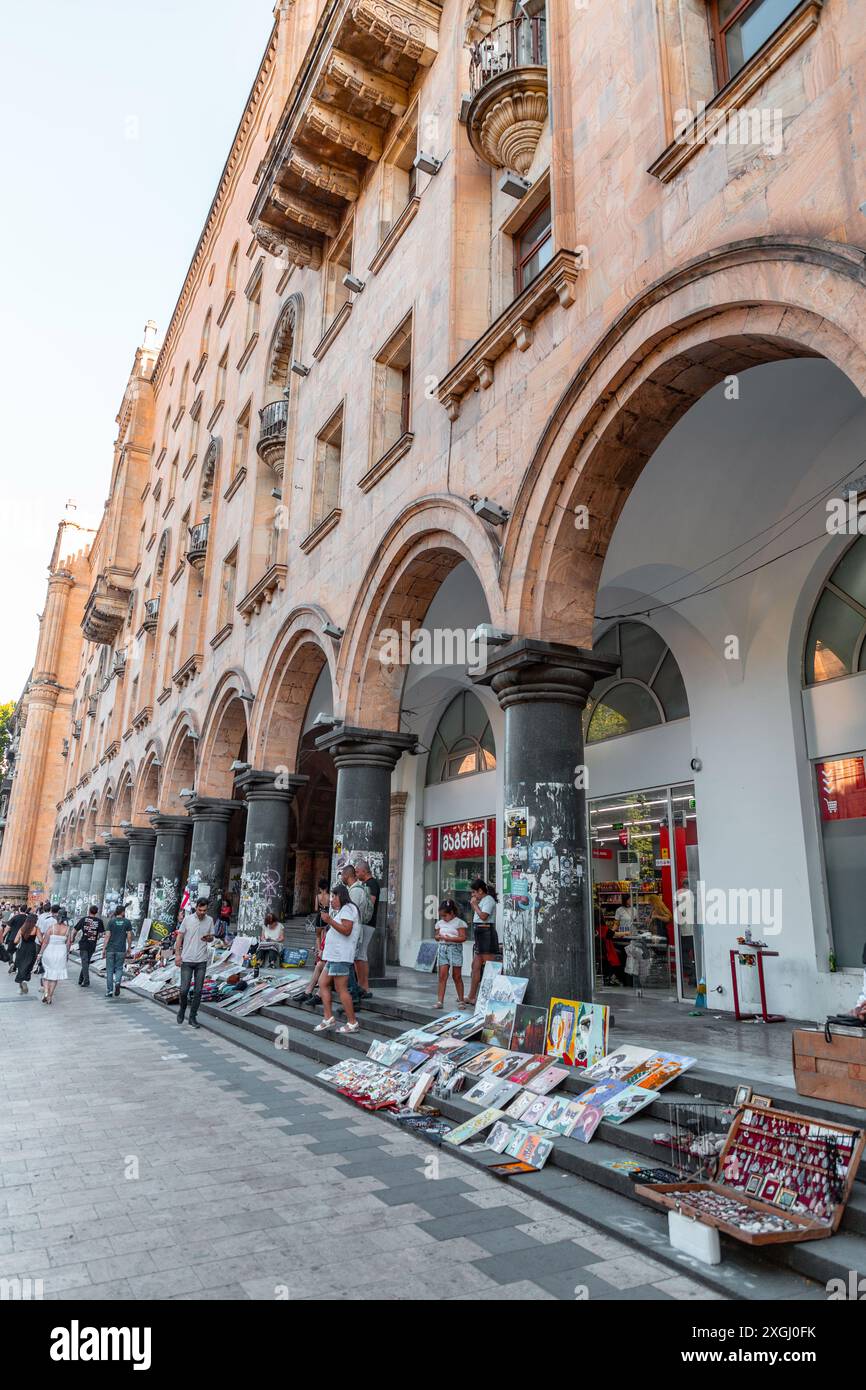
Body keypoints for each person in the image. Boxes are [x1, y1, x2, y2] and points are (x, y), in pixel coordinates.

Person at [314, 883, 361, 1034]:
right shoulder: (342, 911)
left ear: (341, 896)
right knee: (322, 983)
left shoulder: (348, 908)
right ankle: (328, 1017)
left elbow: (347, 930)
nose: (331, 900)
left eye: (334, 896)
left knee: (342, 989)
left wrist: (330, 921)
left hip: (341, 956)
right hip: (334, 956)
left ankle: (352, 1022)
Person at [175, 897, 215, 1029]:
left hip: (201, 961)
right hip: (187, 959)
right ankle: (182, 1009)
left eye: (204, 910)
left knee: (198, 991)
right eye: (200, 909)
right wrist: (178, 955)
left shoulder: (209, 920)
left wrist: (208, 938)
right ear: (196, 907)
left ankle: (192, 1016)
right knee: (184, 989)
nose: (202, 912)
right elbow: (179, 937)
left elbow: (211, 938)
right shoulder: (188, 919)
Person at [464, 878, 501, 1007]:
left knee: (490, 967)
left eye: (474, 892)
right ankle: (472, 996)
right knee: (475, 966)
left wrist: (474, 906)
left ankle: (491, 996)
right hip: (480, 933)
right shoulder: (483, 901)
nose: (473, 895)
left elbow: (484, 916)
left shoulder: (488, 900)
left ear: (480, 891)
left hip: (486, 933)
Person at [340, 864, 371, 999]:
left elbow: (352, 913)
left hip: (354, 932)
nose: (341, 877)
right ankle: (353, 990)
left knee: (351, 962)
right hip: (352, 931)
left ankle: (354, 992)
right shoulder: (353, 890)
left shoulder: (356, 891)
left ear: (347, 875)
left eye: (342, 874)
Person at [298, 877, 330, 1005]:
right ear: (327, 887)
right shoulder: (329, 896)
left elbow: (316, 908)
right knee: (325, 933)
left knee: (318, 936)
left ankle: (319, 951)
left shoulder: (317, 896)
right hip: (327, 915)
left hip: (319, 916)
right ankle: (321, 951)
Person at [433, 898, 467, 1009]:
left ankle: (461, 1000)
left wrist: (451, 939)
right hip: (443, 948)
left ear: (452, 913)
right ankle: (440, 1001)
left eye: (445, 916)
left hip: (455, 948)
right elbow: (436, 936)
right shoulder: (440, 923)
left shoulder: (459, 922)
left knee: (456, 975)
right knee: (442, 975)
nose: (443, 918)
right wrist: (439, 937)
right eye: (442, 916)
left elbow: (463, 937)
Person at [354, 859, 380, 999]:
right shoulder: (366, 884)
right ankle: (362, 985)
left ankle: (364, 986)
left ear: (364, 871)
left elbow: (370, 903)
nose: (356, 874)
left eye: (358, 871)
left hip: (367, 923)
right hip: (364, 922)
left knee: (361, 955)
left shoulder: (371, 884)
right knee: (360, 955)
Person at [36, 912, 69, 1004]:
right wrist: (67, 954)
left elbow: (45, 942)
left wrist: (40, 954)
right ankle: (50, 997)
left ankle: (46, 992)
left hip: (49, 951)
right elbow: (68, 943)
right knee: (54, 976)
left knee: (46, 973)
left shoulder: (51, 928)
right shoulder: (67, 929)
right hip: (61, 952)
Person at [103, 903, 133, 999]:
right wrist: (129, 947)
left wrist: (104, 948)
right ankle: (117, 983)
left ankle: (109, 991)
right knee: (119, 968)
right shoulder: (127, 922)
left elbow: (107, 936)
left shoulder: (111, 922)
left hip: (111, 949)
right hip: (121, 949)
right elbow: (129, 936)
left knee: (110, 970)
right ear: (123, 912)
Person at [71, 904, 104, 987]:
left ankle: (86, 980)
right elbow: (101, 934)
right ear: (96, 912)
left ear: (89, 911)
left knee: (85, 962)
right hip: (92, 944)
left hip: (84, 943)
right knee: (86, 962)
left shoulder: (84, 919)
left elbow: (74, 930)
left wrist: (72, 938)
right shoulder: (99, 921)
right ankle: (81, 979)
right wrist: (96, 936)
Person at [12, 915, 39, 994]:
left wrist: (21, 938)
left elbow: (15, 941)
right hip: (31, 949)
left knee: (21, 967)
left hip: (22, 949)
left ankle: (20, 987)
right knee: (28, 966)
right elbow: (41, 940)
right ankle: (24, 981)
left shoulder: (22, 928)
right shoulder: (36, 929)